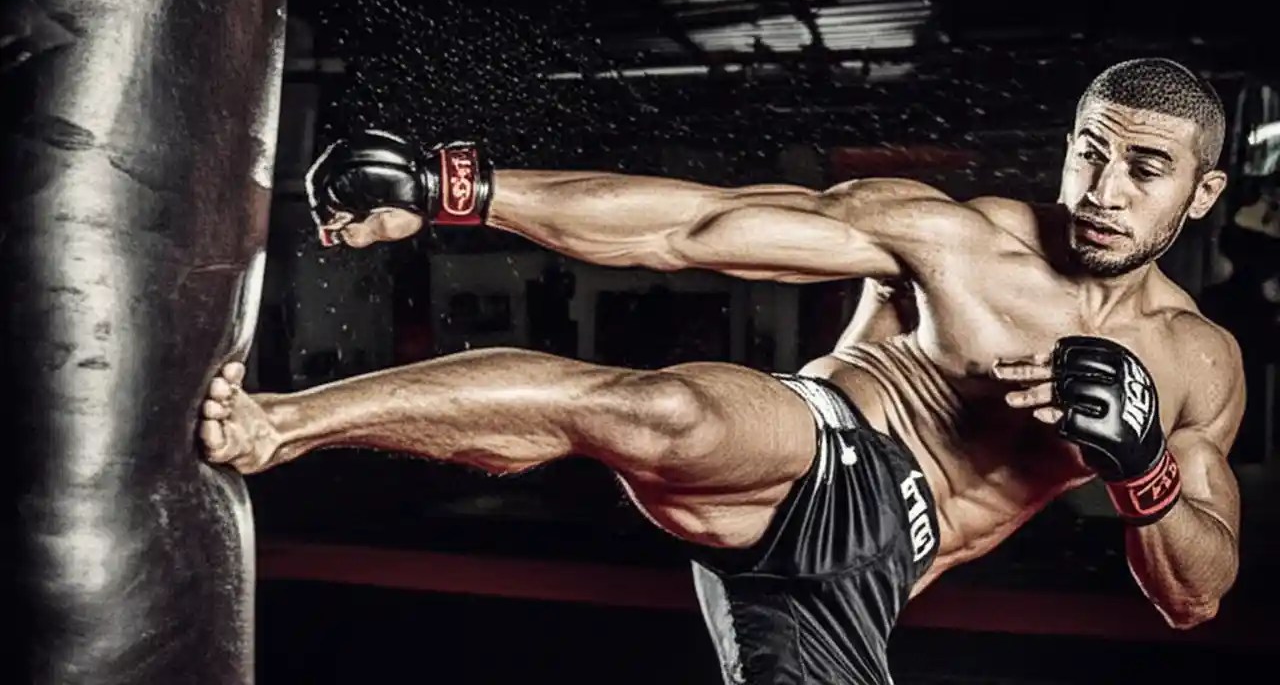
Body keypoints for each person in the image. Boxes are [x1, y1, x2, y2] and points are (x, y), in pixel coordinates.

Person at [202, 58, 1245, 685]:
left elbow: (1194, 597)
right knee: (657, 408)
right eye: (1086, 153)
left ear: (1200, 194)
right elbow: (691, 224)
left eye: (1143, 170)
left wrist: (1141, 469)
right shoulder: (957, 238)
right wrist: (448, 187)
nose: (1100, 190)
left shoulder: (1196, 361)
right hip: (829, 449)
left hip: (861, 583)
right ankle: (275, 425)